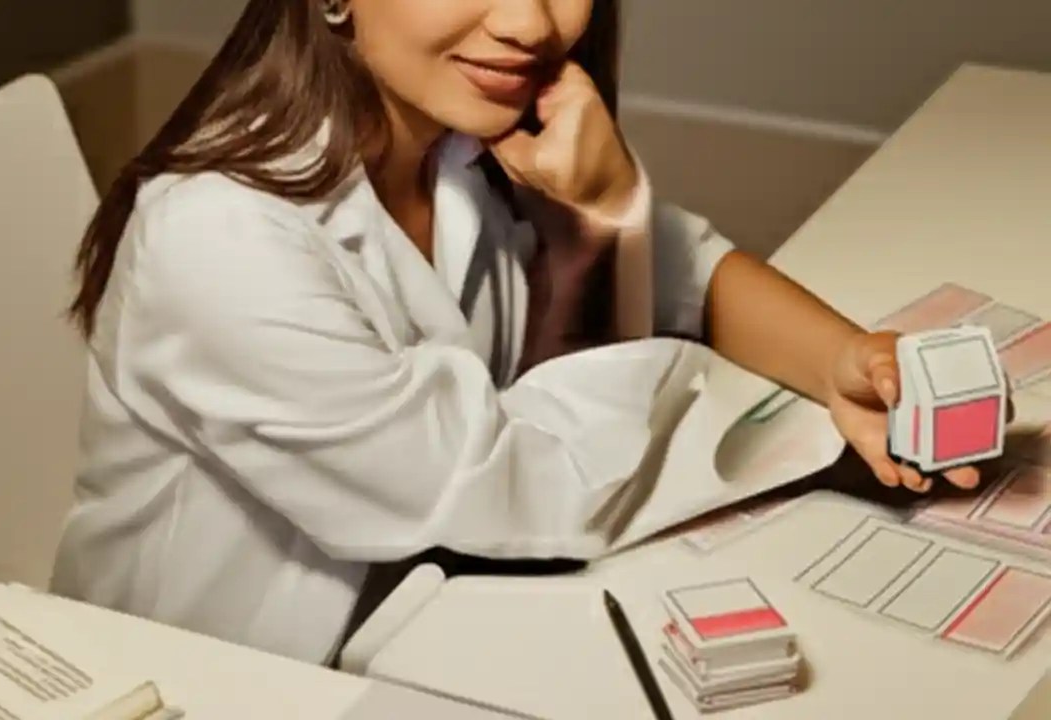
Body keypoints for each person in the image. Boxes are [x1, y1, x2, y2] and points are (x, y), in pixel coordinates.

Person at [49, 0, 987, 665]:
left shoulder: (468, 137)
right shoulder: (220, 240)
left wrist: (848, 363)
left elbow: (687, 273)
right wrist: (609, 219)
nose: (533, 22)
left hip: (442, 614)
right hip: (231, 681)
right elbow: (522, 494)